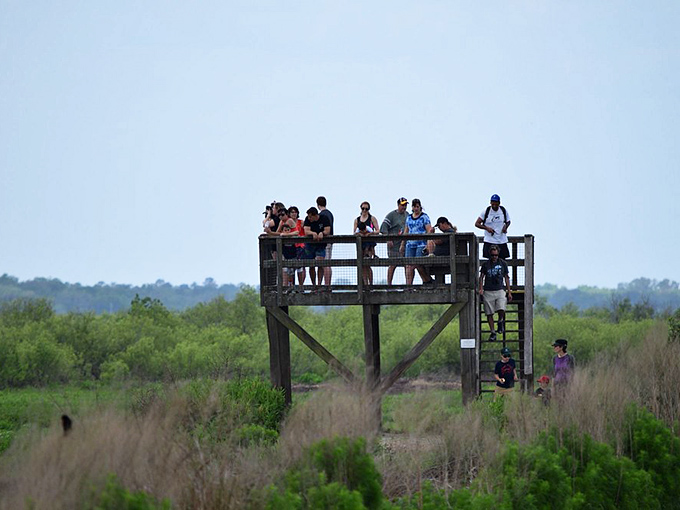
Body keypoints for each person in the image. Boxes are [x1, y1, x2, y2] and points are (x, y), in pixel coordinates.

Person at [479, 245, 512, 340]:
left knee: (501, 308)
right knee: (489, 313)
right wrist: (481, 288)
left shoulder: (503, 263)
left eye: (496, 255)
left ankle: (500, 320)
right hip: (488, 290)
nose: (494, 257)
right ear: (490, 255)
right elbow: (481, 277)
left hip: (500, 289)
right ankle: (493, 332)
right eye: (493, 255)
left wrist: (509, 292)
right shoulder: (486, 265)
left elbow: (506, 277)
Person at [399, 198, 435, 286]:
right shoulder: (409, 218)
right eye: (414, 207)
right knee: (408, 266)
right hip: (410, 244)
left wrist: (428, 243)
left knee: (418, 264)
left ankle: (427, 280)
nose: (416, 208)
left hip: (421, 244)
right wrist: (402, 244)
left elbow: (428, 230)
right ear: (412, 207)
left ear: (420, 207)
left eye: (417, 207)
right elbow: (406, 231)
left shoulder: (424, 217)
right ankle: (409, 285)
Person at [380, 197, 408, 285]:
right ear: (398, 205)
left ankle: (408, 285)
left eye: (405, 205)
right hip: (393, 245)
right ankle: (389, 284)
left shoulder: (408, 215)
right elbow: (383, 228)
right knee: (392, 264)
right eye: (402, 205)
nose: (404, 207)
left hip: (404, 245)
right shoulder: (391, 215)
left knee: (407, 265)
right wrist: (388, 239)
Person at [475, 194, 511, 259]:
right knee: (489, 262)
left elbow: (508, 221)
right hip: (489, 240)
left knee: (502, 261)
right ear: (490, 202)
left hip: (501, 240)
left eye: (496, 203)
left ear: (499, 203)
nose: (494, 205)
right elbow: (477, 223)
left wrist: (505, 227)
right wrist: (486, 228)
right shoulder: (486, 211)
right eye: (493, 203)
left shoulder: (503, 211)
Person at [303, 207, 331, 290]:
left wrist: (322, 233)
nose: (309, 218)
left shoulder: (324, 218)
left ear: (315, 215)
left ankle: (319, 284)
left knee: (320, 263)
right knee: (311, 265)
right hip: (310, 245)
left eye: (310, 216)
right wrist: (313, 233)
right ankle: (314, 285)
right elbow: (306, 230)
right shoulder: (307, 220)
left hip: (321, 244)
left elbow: (327, 230)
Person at [353, 201, 380, 285]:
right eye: (363, 208)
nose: (364, 210)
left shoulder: (372, 219)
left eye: (366, 209)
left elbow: (378, 230)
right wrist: (360, 234)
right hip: (360, 245)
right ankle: (365, 283)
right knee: (362, 265)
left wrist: (370, 234)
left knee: (367, 264)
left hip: (369, 243)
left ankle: (370, 283)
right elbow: (354, 232)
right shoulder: (357, 220)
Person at [275, 208, 299, 287]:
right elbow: (278, 233)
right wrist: (268, 233)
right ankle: (286, 285)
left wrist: (285, 234)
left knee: (294, 268)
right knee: (286, 269)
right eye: (279, 215)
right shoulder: (282, 222)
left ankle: (292, 285)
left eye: (283, 214)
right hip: (285, 250)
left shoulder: (289, 221)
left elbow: (296, 232)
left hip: (294, 249)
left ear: (286, 214)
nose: (281, 217)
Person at [317, 196, 334, 286]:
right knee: (324, 263)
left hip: (325, 242)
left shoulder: (322, 215)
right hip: (329, 241)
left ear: (317, 205)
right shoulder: (330, 214)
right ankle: (323, 284)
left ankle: (326, 285)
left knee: (326, 263)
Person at [288, 206, 306, 288]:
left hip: (301, 246)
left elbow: (304, 232)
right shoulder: (288, 222)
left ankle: (300, 285)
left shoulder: (301, 222)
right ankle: (291, 285)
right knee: (291, 266)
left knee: (301, 266)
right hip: (291, 246)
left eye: (295, 212)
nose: (294, 214)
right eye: (292, 212)